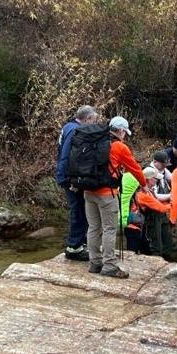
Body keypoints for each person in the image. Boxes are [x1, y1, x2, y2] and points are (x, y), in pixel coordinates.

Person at [80, 116, 147, 278]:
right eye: (125, 133)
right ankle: (109, 265)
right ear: (121, 131)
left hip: (88, 191)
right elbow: (135, 168)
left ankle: (95, 263)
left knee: (93, 227)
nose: (125, 136)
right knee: (109, 229)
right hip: (107, 193)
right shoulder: (119, 147)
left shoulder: (93, 141)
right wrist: (144, 184)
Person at [55, 105, 99, 261]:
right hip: (70, 178)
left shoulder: (68, 126)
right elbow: (66, 155)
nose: (94, 123)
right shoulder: (75, 131)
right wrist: (66, 178)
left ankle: (80, 242)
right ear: (87, 118)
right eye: (93, 120)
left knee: (80, 209)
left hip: (67, 175)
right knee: (79, 210)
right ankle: (74, 247)